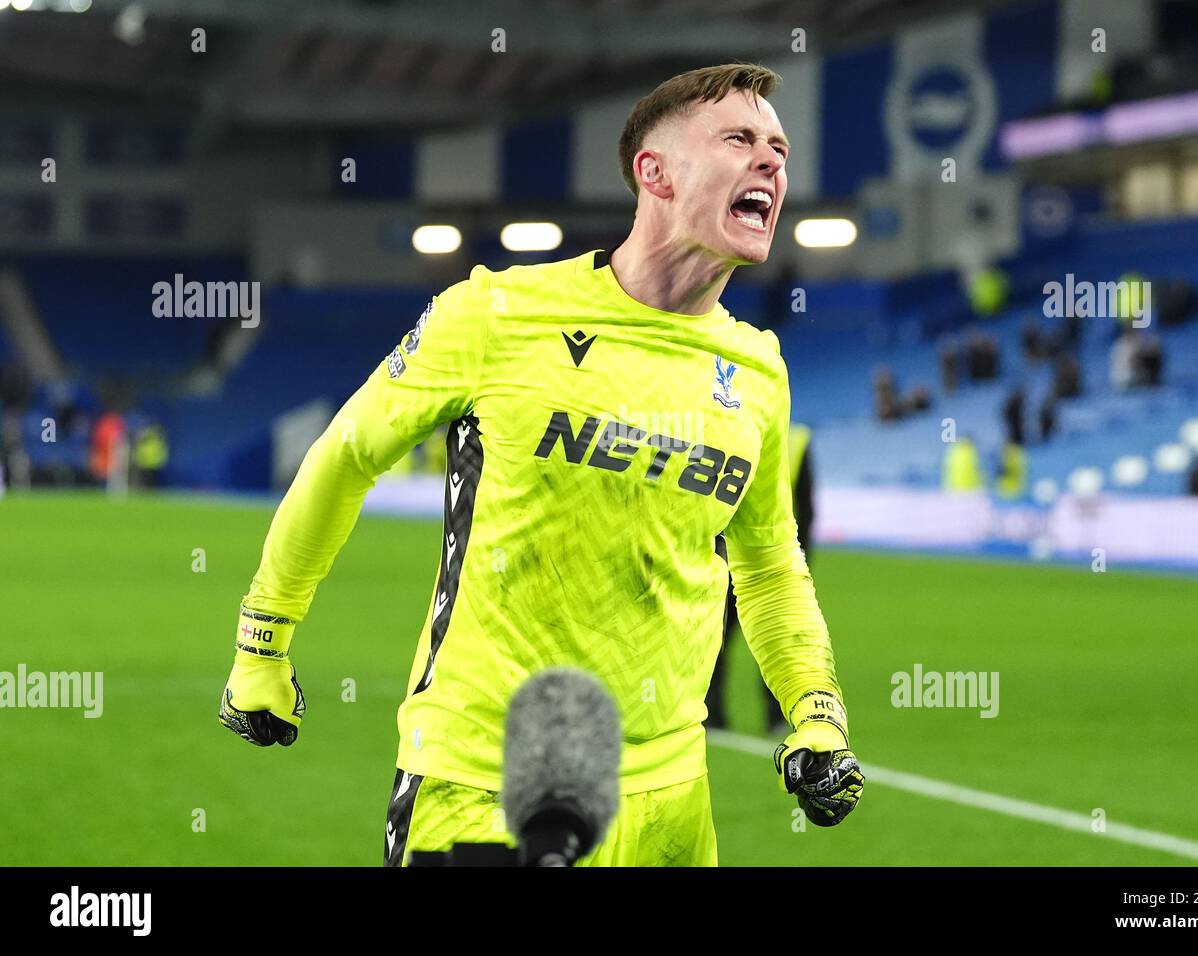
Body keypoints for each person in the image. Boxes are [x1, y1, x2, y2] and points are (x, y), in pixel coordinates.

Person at [217, 63, 862, 868]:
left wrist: (816, 708)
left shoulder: (758, 370)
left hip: (670, 803)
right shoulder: (496, 314)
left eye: (779, 147)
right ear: (652, 173)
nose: (772, 161)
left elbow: (767, 564)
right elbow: (345, 457)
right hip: (480, 782)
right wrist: (261, 643)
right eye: (739, 139)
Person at [705, 422, 814, 734]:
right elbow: (808, 509)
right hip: (769, 559)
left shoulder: (728, 429)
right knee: (773, 639)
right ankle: (775, 717)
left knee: (720, 637)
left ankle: (714, 713)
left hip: (736, 555)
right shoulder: (797, 439)